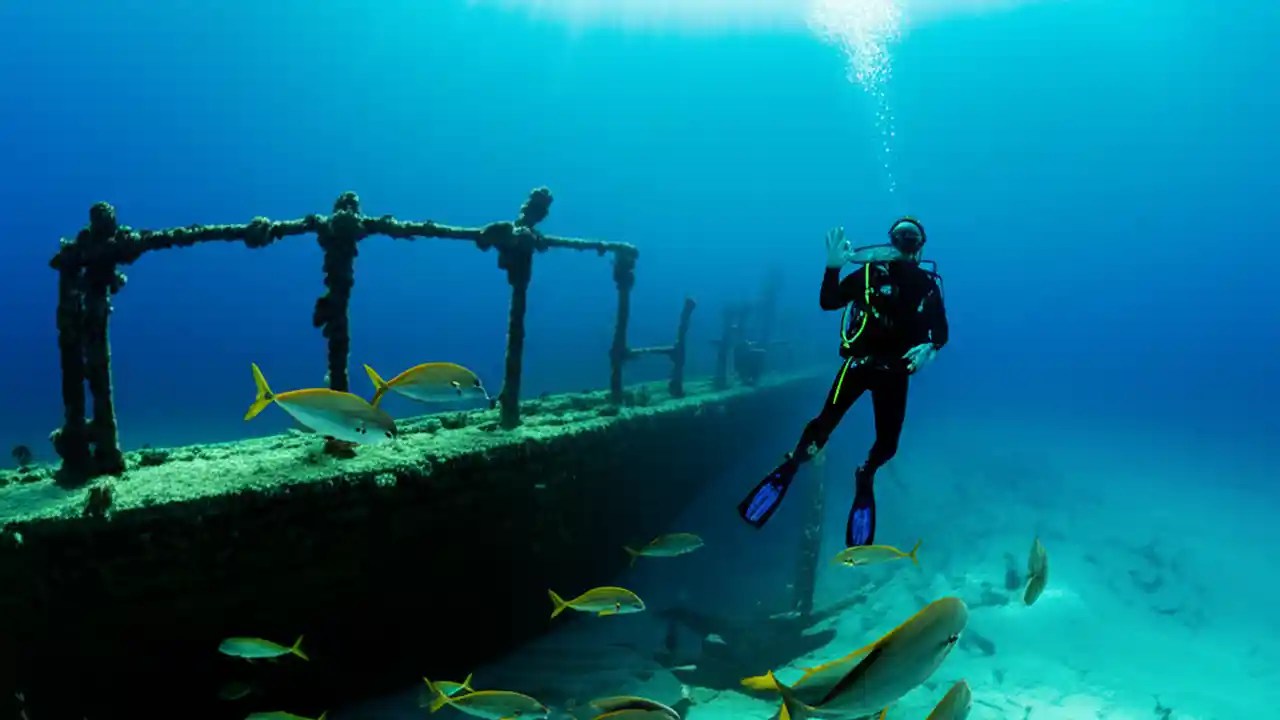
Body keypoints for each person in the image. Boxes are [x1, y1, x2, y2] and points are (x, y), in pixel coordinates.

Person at [737, 217, 949, 547]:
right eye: (900, 237)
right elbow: (829, 301)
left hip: (895, 374)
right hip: (858, 365)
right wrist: (833, 267)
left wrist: (930, 349)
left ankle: (866, 473)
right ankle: (795, 462)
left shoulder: (928, 285)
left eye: (913, 238)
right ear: (890, 242)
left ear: (921, 246)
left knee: (888, 445)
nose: (907, 244)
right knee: (823, 425)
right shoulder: (867, 274)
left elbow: (942, 332)